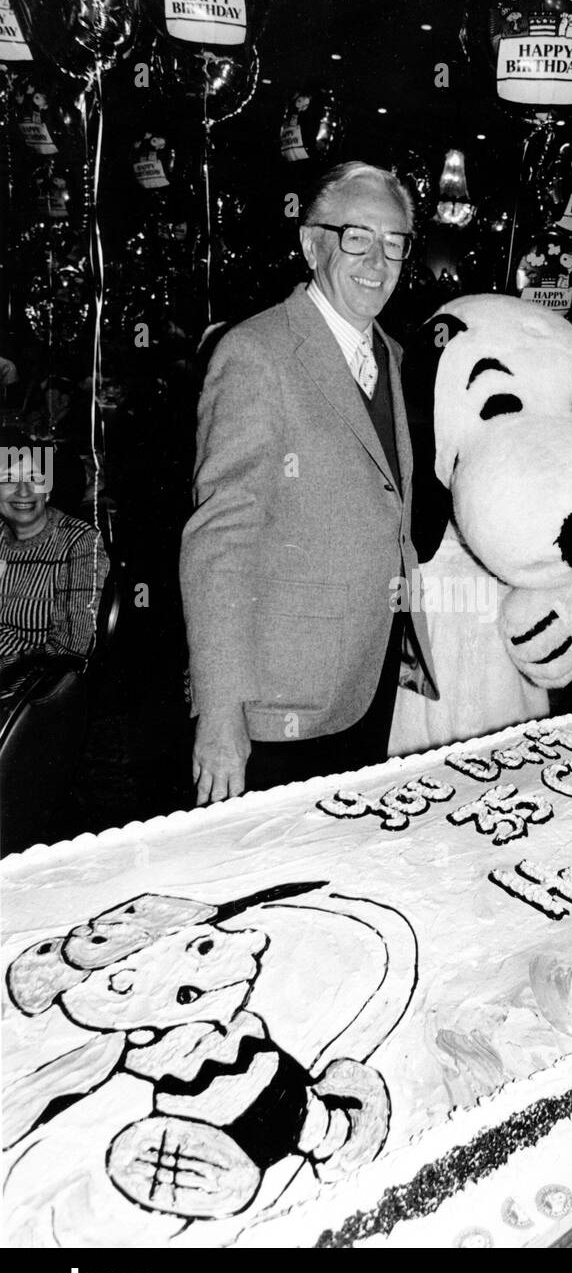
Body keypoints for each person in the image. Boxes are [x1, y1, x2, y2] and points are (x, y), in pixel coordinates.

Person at [180, 161, 437, 804]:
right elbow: (218, 545)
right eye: (356, 236)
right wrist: (219, 713)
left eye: (394, 243)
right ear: (311, 243)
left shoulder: (390, 354)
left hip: (365, 677)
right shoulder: (258, 353)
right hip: (277, 700)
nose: (377, 260)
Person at [0, 437, 108, 665]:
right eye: (9, 479)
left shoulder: (78, 542)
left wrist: (11, 658)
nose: (23, 492)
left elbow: (72, 648)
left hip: (30, 684)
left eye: (34, 478)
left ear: (48, 490)